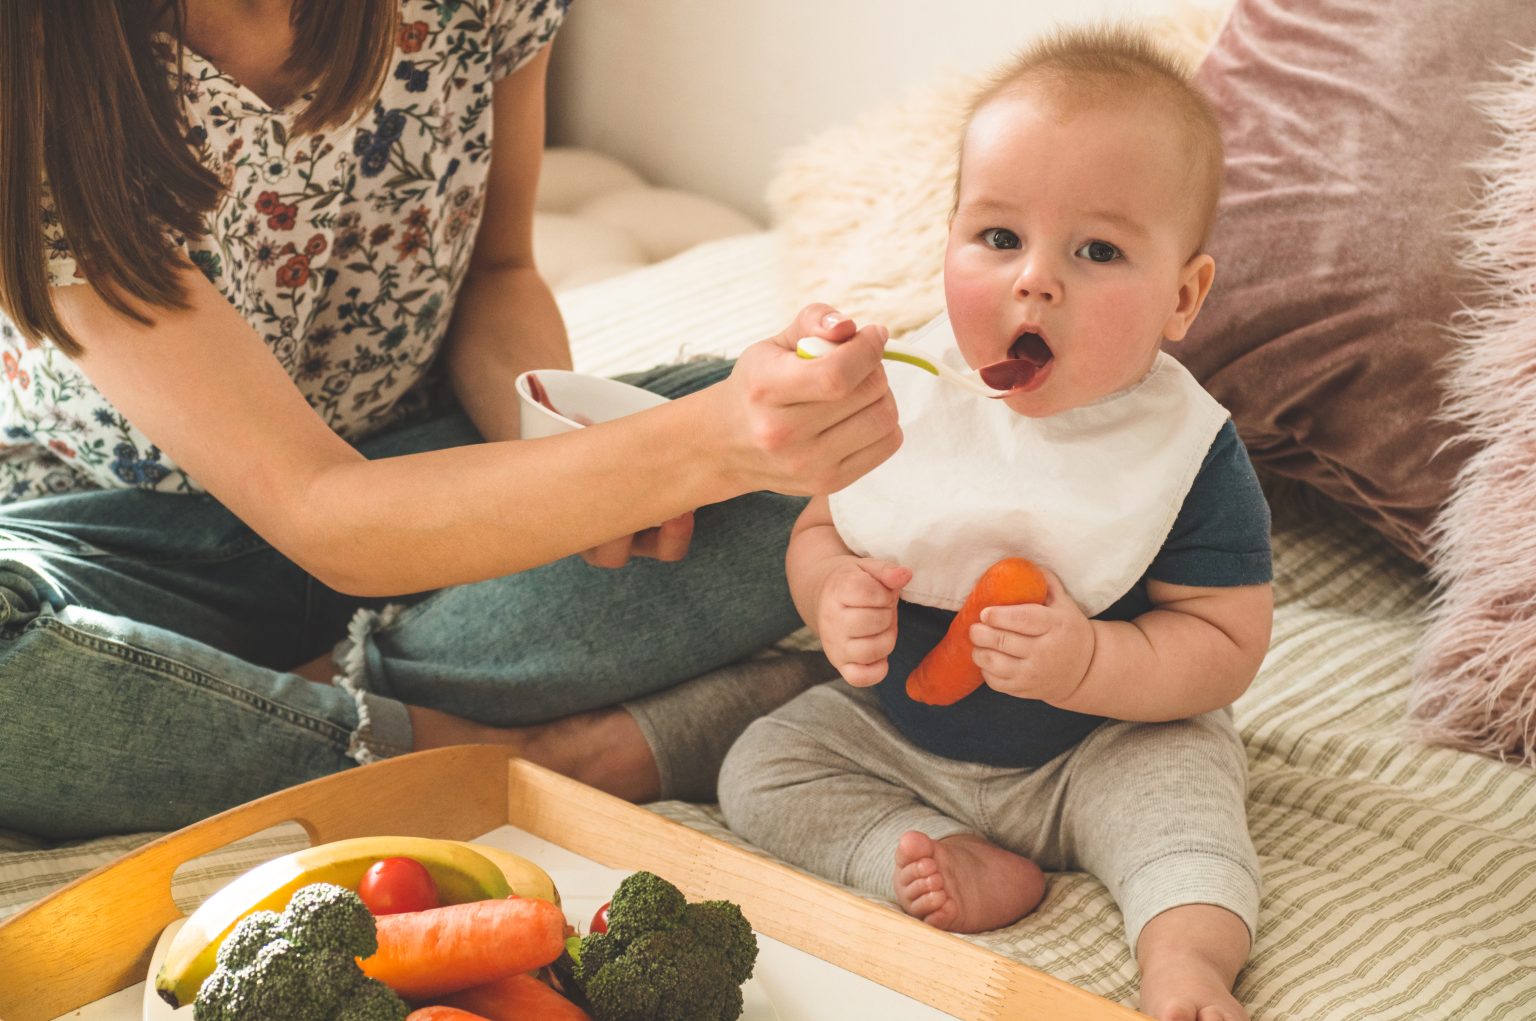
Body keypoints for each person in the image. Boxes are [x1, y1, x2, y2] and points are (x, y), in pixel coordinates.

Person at [0, 0, 899, 840]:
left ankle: (250, 702)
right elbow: (320, 509)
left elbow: (498, 271)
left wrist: (581, 458)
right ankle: (522, 755)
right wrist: (699, 442)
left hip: (429, 487)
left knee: (849, 448)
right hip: (126, 545)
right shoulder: (35, 64)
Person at [718, 25, 1273, 1021]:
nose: (1035, 279)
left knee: (1188, 820)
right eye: (999, 238)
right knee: (760, 769)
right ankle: (924, 857)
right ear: (949, 242)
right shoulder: (907, 397)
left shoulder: (1184, 449)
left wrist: (1093, 664)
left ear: (1183, 296)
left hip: (1101, 748)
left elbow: (1226, 641)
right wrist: (832, 591)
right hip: (896, 736)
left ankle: (1185, 968)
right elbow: (821, 529)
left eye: (1098, 250)